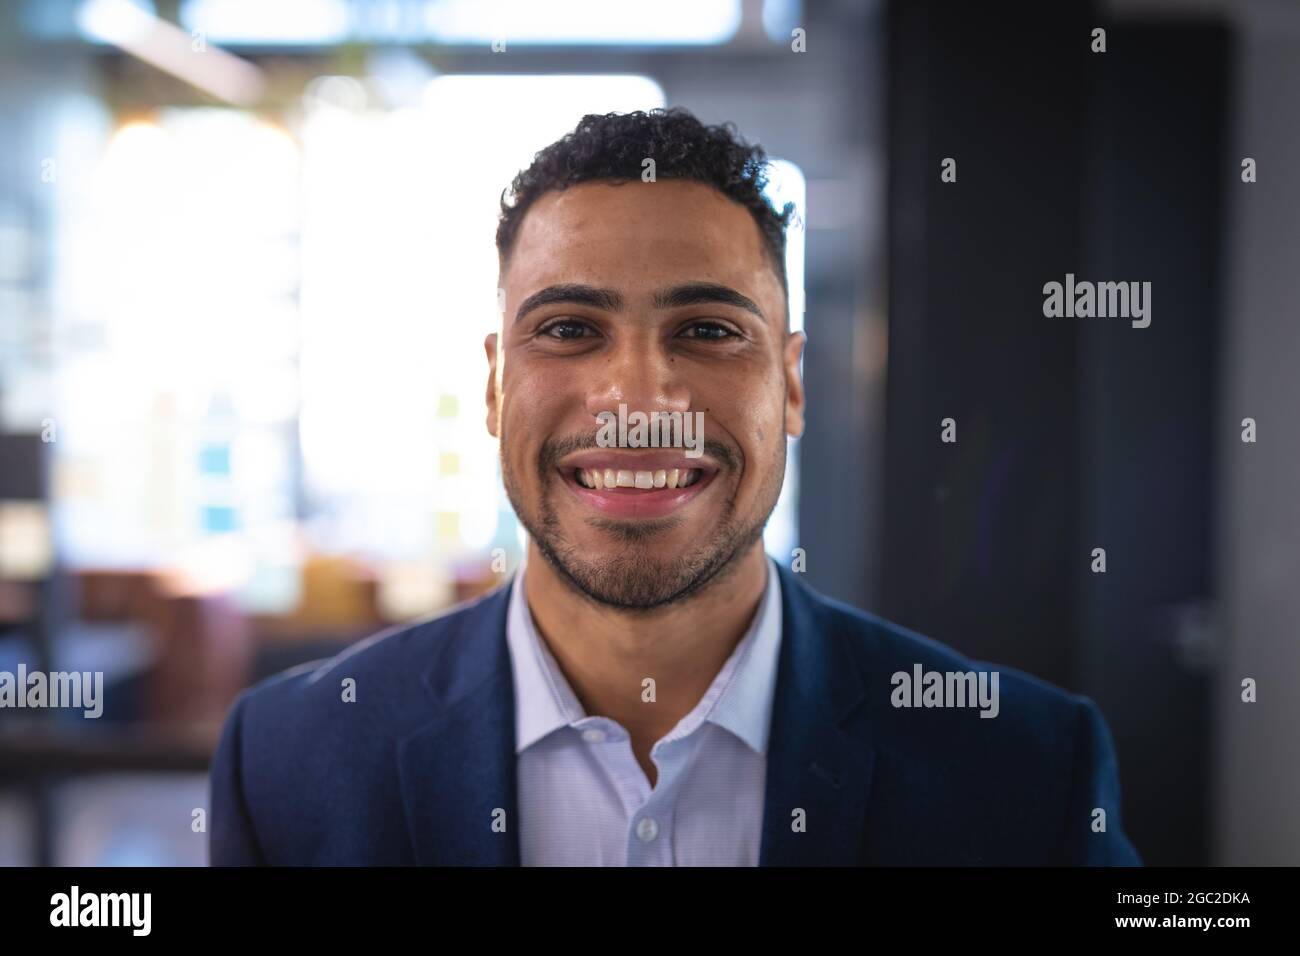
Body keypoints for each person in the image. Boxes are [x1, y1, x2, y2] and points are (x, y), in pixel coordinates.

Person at [210, 108, 1141, 866]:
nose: (638, 400)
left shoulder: (1020, 765)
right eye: (571, 329)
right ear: (497, 386)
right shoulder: (290, 762)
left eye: (707, 330)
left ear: (793, 385)